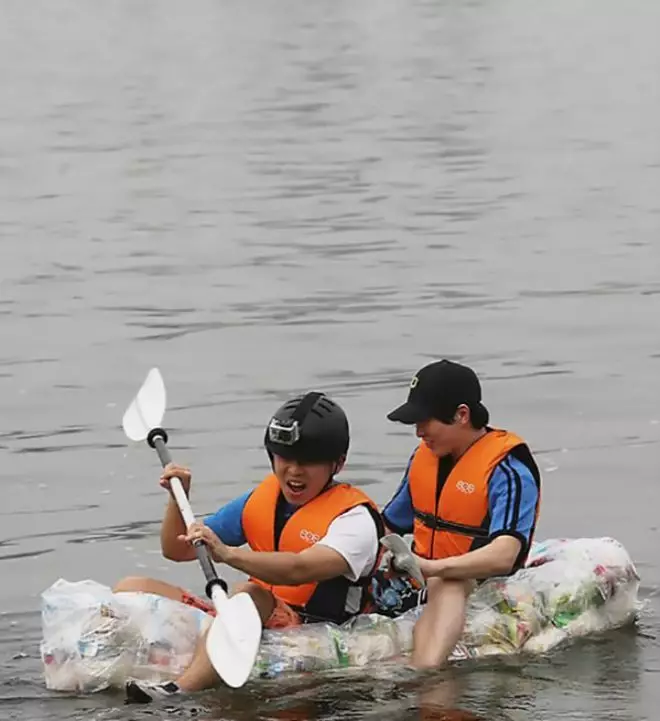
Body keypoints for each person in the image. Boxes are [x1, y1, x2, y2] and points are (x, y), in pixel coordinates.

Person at [116, 391, 384, 701]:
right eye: (285, 458)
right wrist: (178, 500)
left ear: (337, 464)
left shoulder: (355, 519)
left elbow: (301, 568)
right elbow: (179, 550)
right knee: (132, 586)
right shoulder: (262, 500)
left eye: (308, 461)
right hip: (258, 616)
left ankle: (179, 690)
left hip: (316, 629)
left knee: (248, 592)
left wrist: (229, 555)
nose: (294, 471)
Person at [382, 359, 541, 670]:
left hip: (475, 581)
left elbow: (504, 554)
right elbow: (387, 524)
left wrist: (433, 567)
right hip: (421, 575)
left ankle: (424, 673)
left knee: (448, 582)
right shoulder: (424, 459)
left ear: (461, 415)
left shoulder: (508, 470)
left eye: (425, 421)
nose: (419, 432)